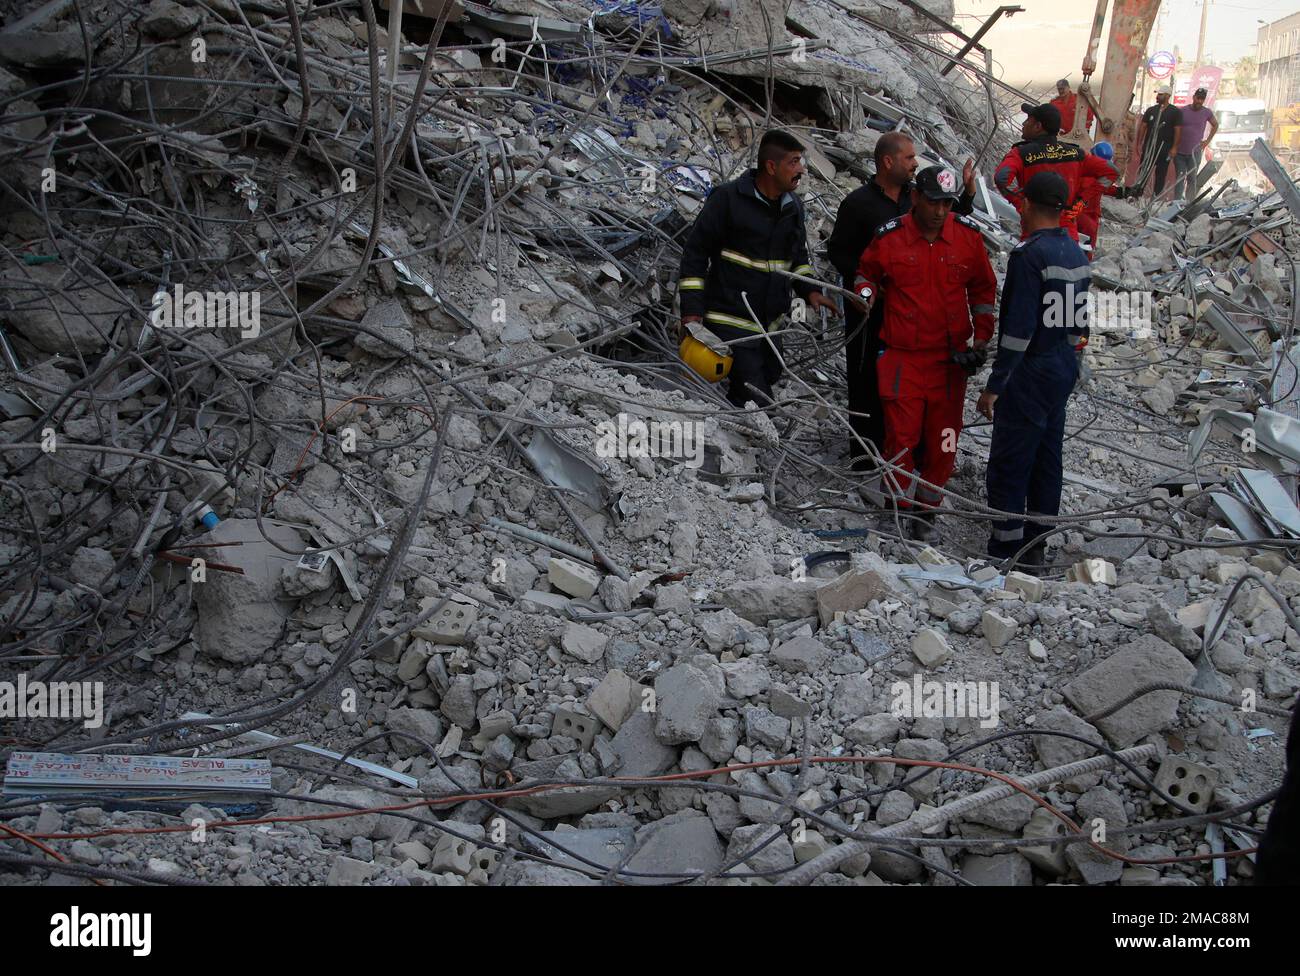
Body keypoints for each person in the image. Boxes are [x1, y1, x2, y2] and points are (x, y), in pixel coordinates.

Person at [853, 165, 997, 541]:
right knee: (901, 437)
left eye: (947, 203)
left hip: (950, 364)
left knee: (945, 438)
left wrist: (981, 341)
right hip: (903, 358)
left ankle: (927, 510)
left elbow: (983, 292)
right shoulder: (891, 237)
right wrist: (865, 296)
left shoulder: (967, 239)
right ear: (916, 196)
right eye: (933, 202)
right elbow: (865, 273)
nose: (939, 211)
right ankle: (897, 512)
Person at [825, 132, 976, 471]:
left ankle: (907, 456)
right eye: (909, 158)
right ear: (888, 161)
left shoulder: (916, 200)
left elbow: (945, 220)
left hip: (909, 318)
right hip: (869, 314)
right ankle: (865, 458)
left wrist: (966, 195)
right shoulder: (858, 204)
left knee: (906, 389)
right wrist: (873, 283)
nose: (914, 164)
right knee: (865, 381)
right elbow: (839, 253)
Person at [977, 171, 1090, 568]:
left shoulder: (1029, 257)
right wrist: (1072, 364)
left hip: (1030, 370)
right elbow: (1079, 325)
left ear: (1025, 204)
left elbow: (1018, 333)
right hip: (1061, 365)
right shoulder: (1075, 253)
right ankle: (1037, 543)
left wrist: (995, 385)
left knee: (1011, 458)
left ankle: (1006, 549)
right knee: (1047, 457)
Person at [678, 130, 837, 409]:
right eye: (794, 162)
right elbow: (695, 253)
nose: (801, 169)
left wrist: (810, 291)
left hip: (770, 328)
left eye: (801, 161)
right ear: (771, 166)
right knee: (759, 402)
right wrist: (692, 312)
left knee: (767, 378)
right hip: (730, 323)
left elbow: (797, 259)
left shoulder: (793, 207)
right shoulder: (727, 199)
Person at [994, 103, 1117, 239]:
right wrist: (1082, 201)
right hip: (1068, 237)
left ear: (1038, 127)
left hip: (1035, 235)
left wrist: (1021, 205)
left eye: (1028, 120)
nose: (1023, 123)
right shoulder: (1076, 154)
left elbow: (1002, 178)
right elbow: (1111, 171)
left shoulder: (1020, 153)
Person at [1133, 85, 1183, 199]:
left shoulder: (1175, 112)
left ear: (1167, 96)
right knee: (1143, 172)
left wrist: (1174, 147)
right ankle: (1136, 195)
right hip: (1150, 148)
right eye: (1158, 94)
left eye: (1160, 94)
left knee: (1161, 174)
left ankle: (1154, 199)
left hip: (1164, 149)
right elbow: (1143, 126)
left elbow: (1178, 130)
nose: (1158, 96)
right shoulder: (1151, 110)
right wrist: (1139, 143)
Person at [1075, 141, 1122, 258]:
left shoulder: (1092, 173)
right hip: (1082, 214)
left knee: (1086, 246)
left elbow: (1103, 187)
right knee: (1084, 247)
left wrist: (1121, 192)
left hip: (1091, 214)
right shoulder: (1086, 176)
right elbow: (1099, 187)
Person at [1173, 88, 1219, 200]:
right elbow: (1175, 128)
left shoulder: (1206, 112)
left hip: (1195, 153)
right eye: (1198, 98)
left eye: (1202, 99)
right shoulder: (1183, 111)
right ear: (1194, 97)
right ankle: (1176, 203)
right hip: (1180, 152)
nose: (1199, 101)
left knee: (1192, 178)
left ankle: (1189, 203)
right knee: (1179, 178)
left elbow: (1215, 125)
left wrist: (1207, 141)